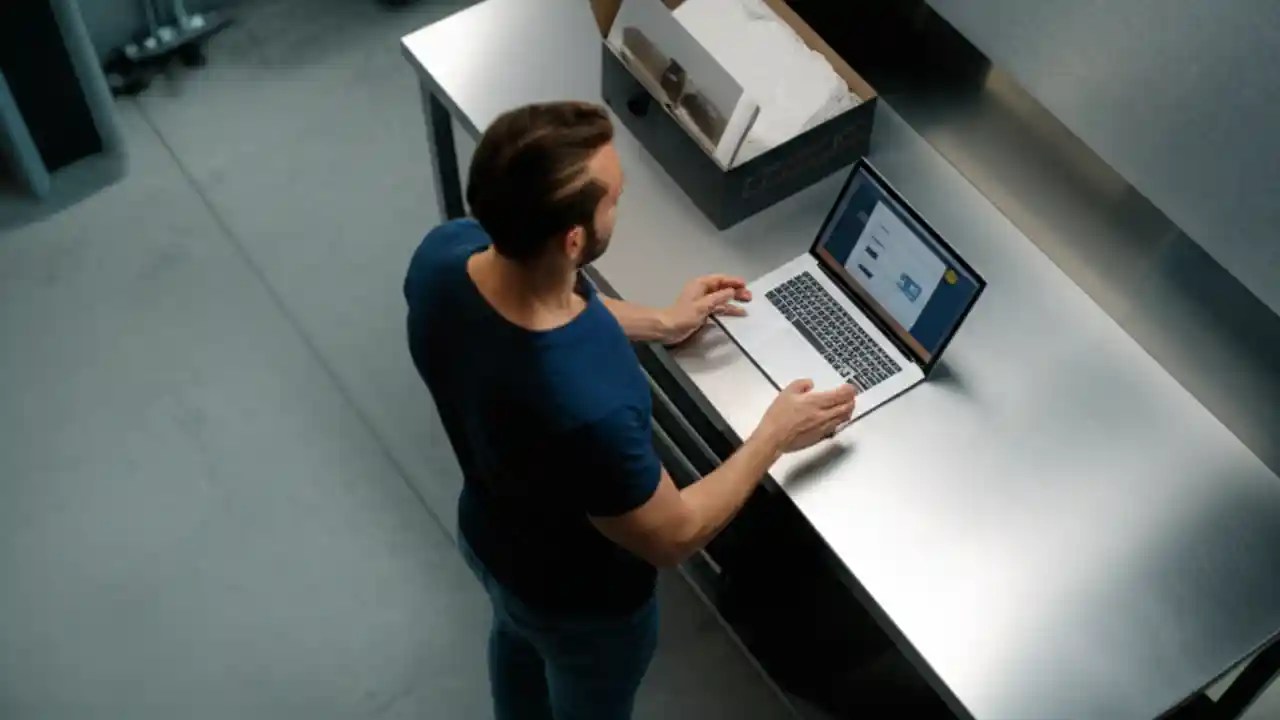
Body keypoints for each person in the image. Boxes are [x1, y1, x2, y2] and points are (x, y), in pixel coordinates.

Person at [404, 101, 857, 720]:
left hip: (489, 539)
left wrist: (663, 321)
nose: (621, 205)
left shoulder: (442, 260)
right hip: (582, 608)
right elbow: (674, 534)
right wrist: (772, 436)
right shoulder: (588, 402)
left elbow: (543, 308)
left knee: (515, 644)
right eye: (613, 199)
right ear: (574, 240)